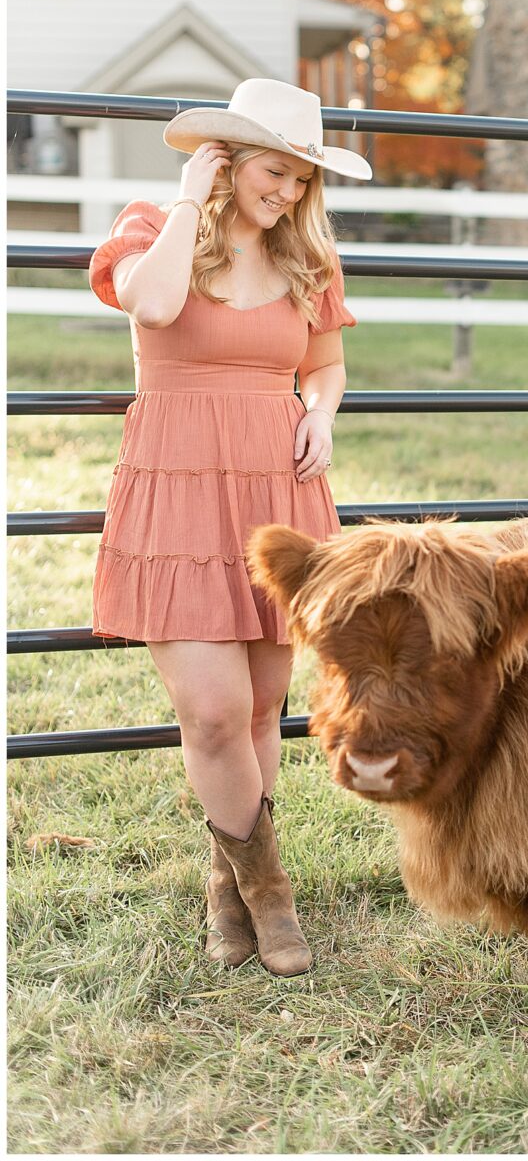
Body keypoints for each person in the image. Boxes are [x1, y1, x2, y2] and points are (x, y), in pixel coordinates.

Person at [87, 78, 371, 976]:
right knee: (210, 713)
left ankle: (228, 889)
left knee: (256, 710)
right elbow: (156, 306)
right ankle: (268, 895)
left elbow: (323, 365)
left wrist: (319, 413)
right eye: (272, 172)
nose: (285, 194)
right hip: (175, 489)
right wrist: (186, 203)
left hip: (275, 494)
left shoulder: (307, 261)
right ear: (226, 159)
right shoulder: (148, 229)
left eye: (299, 180)